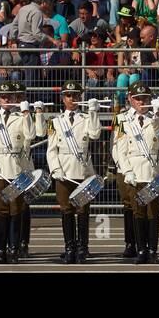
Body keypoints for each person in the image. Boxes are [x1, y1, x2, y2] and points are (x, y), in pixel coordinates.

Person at [40, 79, 102, 265]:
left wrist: (93, 112)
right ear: (62, 98)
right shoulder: (55, 122)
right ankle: (69, 247)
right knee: (66, 210)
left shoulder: (85, 118)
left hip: (82, 170)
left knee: (82, 210)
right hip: (63, 170)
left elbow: (95, 134)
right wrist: (55, 169)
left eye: (76, 95)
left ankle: (83, 248)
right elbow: (51, 150)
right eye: (68, 95)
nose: (72, 98)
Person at [0, 80, 37, 263]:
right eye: (2, 97)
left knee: (15, 210)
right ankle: (0, 250)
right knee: (0, 211)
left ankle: (14, 249)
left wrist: (27, 113)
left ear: (14, 98)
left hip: (16, 170)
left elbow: (31, 135)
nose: (6, 99)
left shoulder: (21, 118)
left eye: (9, 96)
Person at [116, 81, 159, 264]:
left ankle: (153, 250)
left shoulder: (156, 118)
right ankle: (140, 250)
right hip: (134, 171)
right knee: (138, 212)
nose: (141, 102)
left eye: (145, 98)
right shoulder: (122, 120)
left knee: (153, 213)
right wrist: (127, 171)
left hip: (154, 170)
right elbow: (119, 150)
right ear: (131, 99)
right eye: (137, 98)